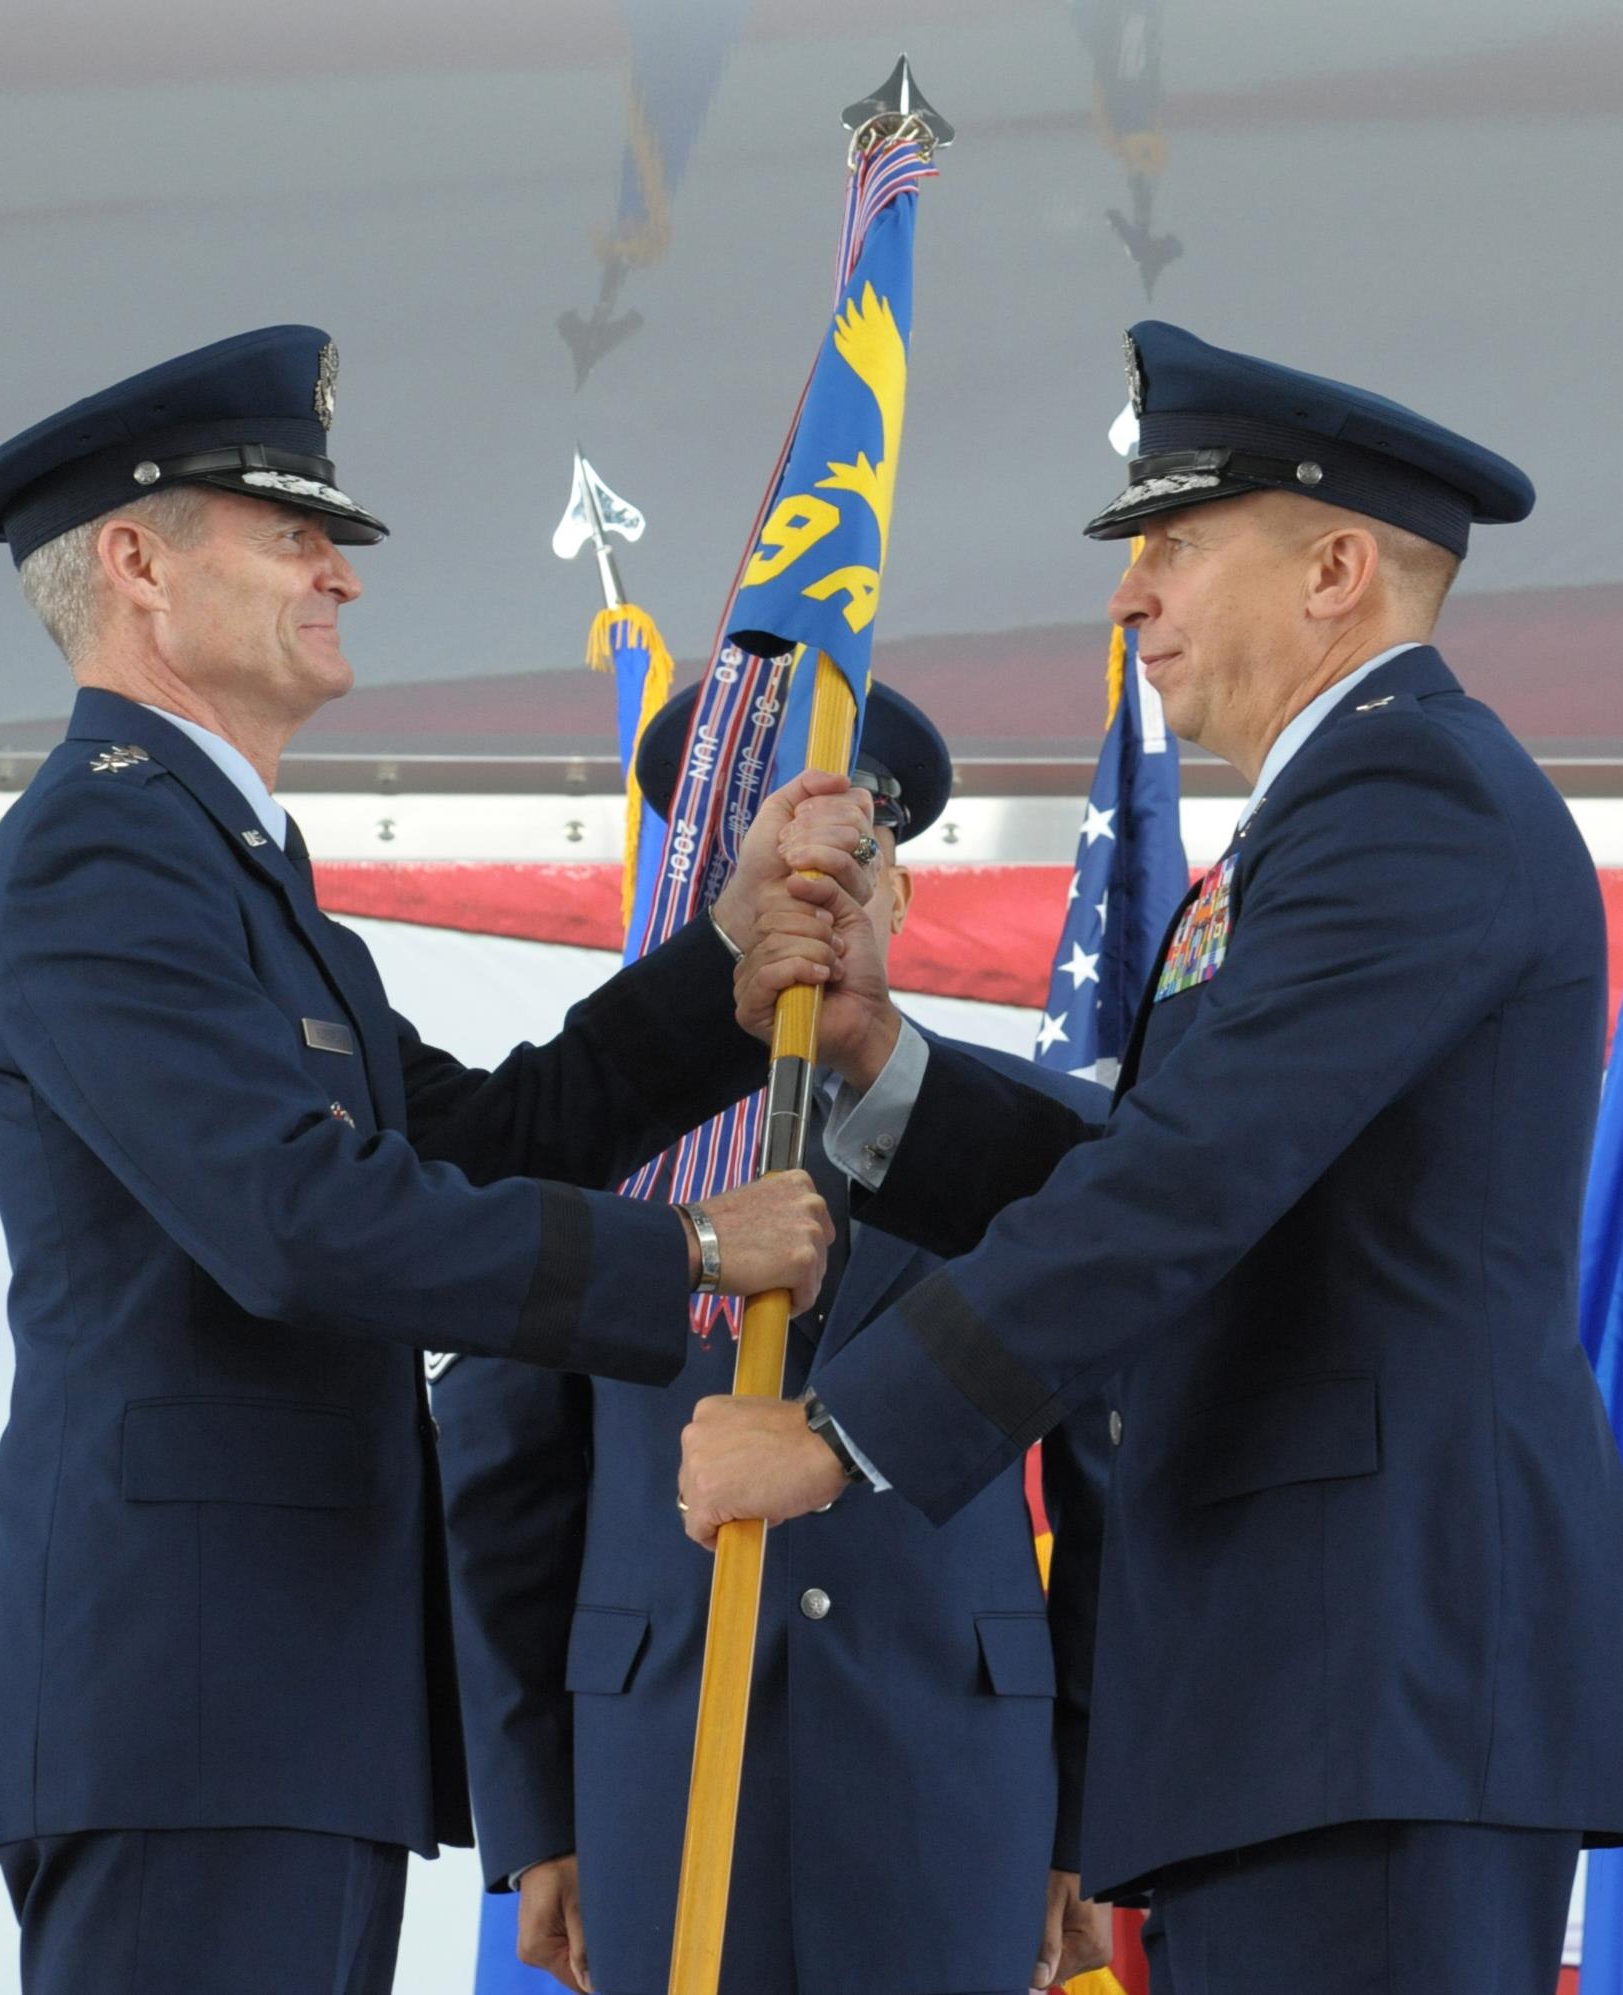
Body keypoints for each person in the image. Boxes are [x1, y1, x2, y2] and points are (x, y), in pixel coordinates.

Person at [682, 321, 1623, 1992]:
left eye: (1171, 545)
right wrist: (879, 1056)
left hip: (1377, 1671)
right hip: (1309, 1681)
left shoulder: (1404, 805)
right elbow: (1168, 1158)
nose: (1127, 597)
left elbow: (1190, 1183)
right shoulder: (1351, 804)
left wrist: (840, 1437)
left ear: (1338, 571)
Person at [0, 323, 868, 1994]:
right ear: (139, 564)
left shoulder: (218, 860)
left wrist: (723, 976)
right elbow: (297, 1223)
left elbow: (469, 1133)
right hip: (197, 1704)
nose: (340, 577)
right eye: (293, 533)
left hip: (277, 1697)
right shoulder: (104, 857)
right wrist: (695, 1259)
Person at [433, 683, 1118, 1995]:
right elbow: (501, 1474)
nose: (819, 905)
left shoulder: (1043, 1144)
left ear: (906, 897)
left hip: (958, 1775)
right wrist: (533, 1816)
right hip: (656, 1770)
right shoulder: (585, 1130)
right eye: (776, 872)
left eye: (853, 867)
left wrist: (1085, 1813)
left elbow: (1114, 1485)